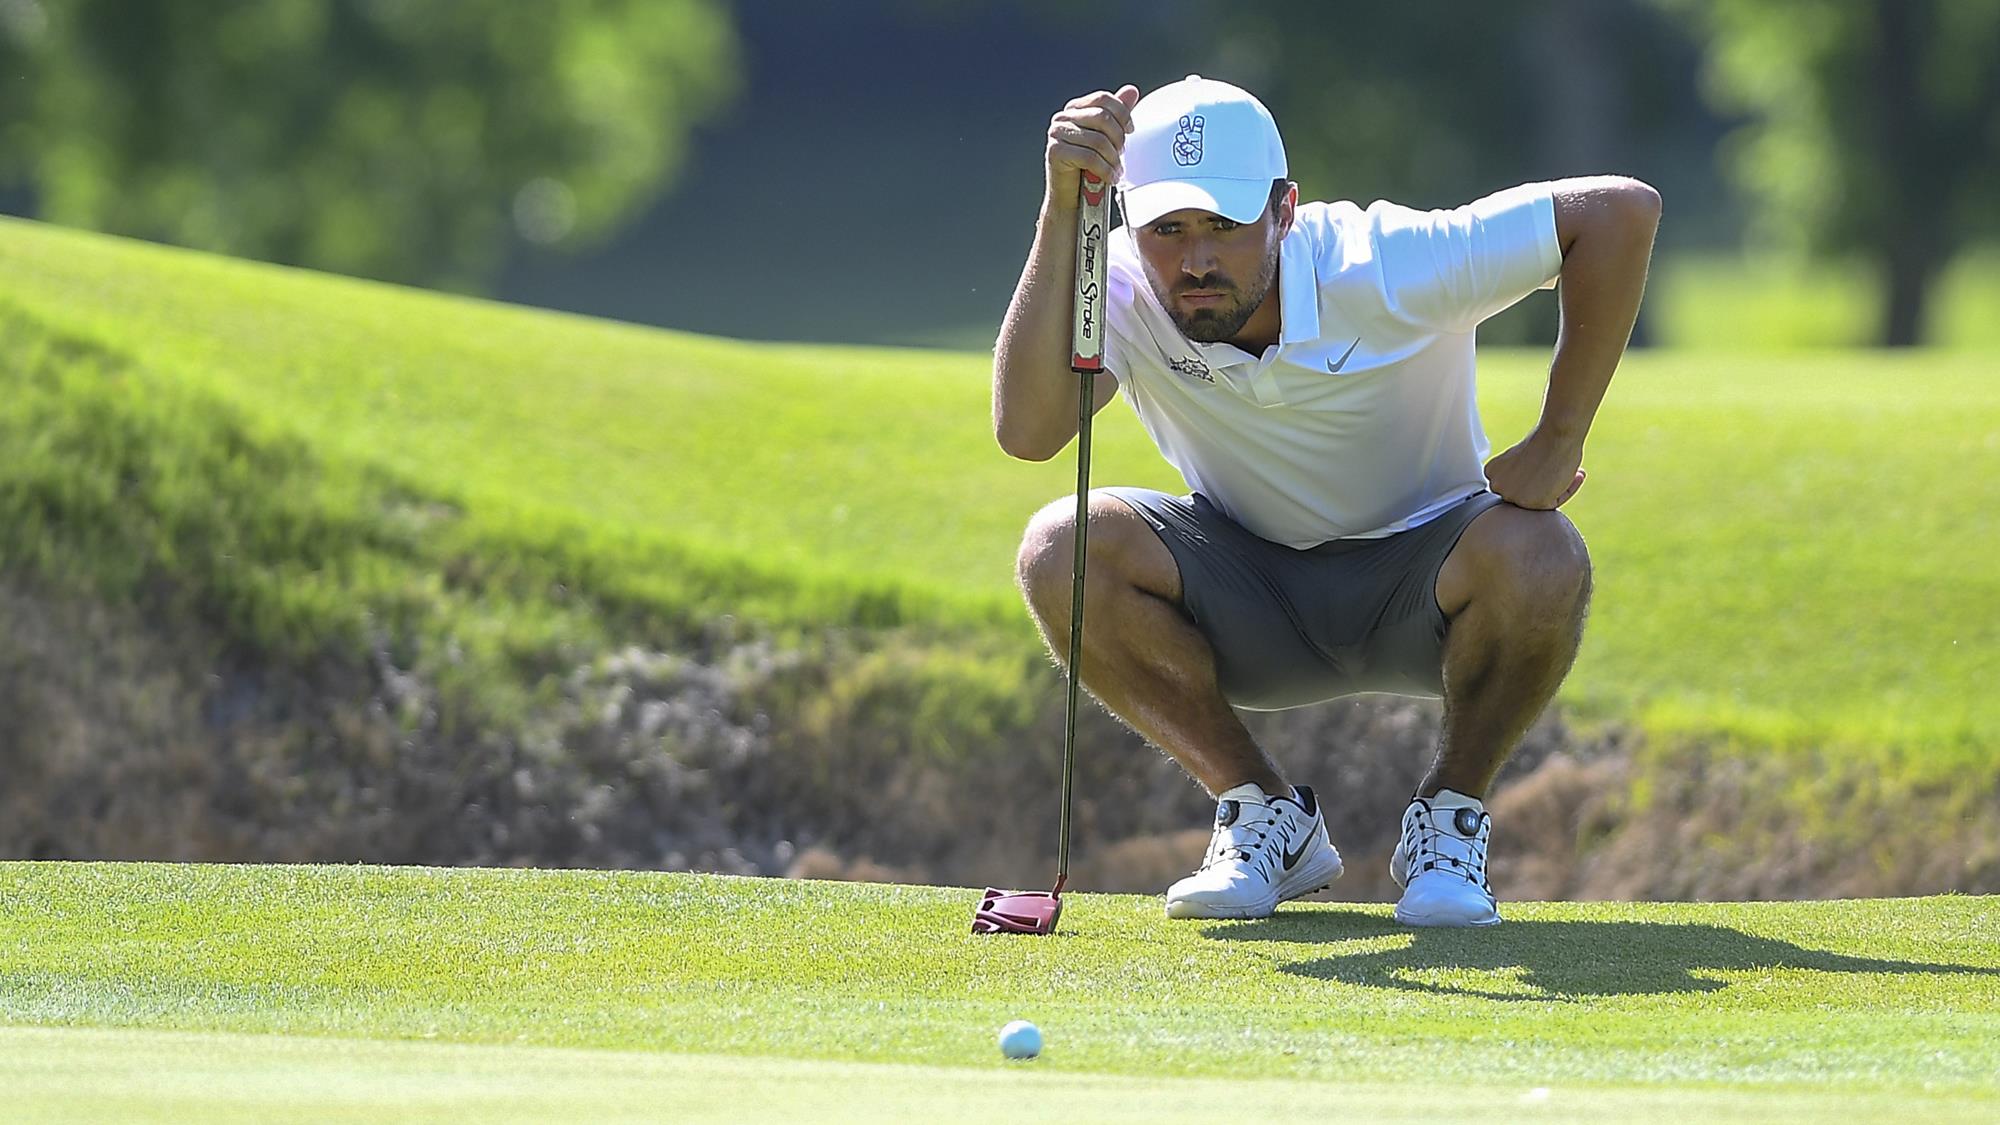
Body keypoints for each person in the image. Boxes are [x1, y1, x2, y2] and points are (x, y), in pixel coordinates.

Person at [991, 77, 1660, 927]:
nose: (1195, 261)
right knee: (1062, 546)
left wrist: (1559, 436)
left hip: (1433, 589)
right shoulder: (1119, 286)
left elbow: (1619, 213)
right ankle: (1263, 812)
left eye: (1224, 226)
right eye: (1167, 229)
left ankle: (1449, 822)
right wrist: (1063, 212)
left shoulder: (1384, 261)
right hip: (1250, 596)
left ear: (1285, 210)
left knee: (1542, 552)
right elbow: (1029, 431)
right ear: (1126, 220)